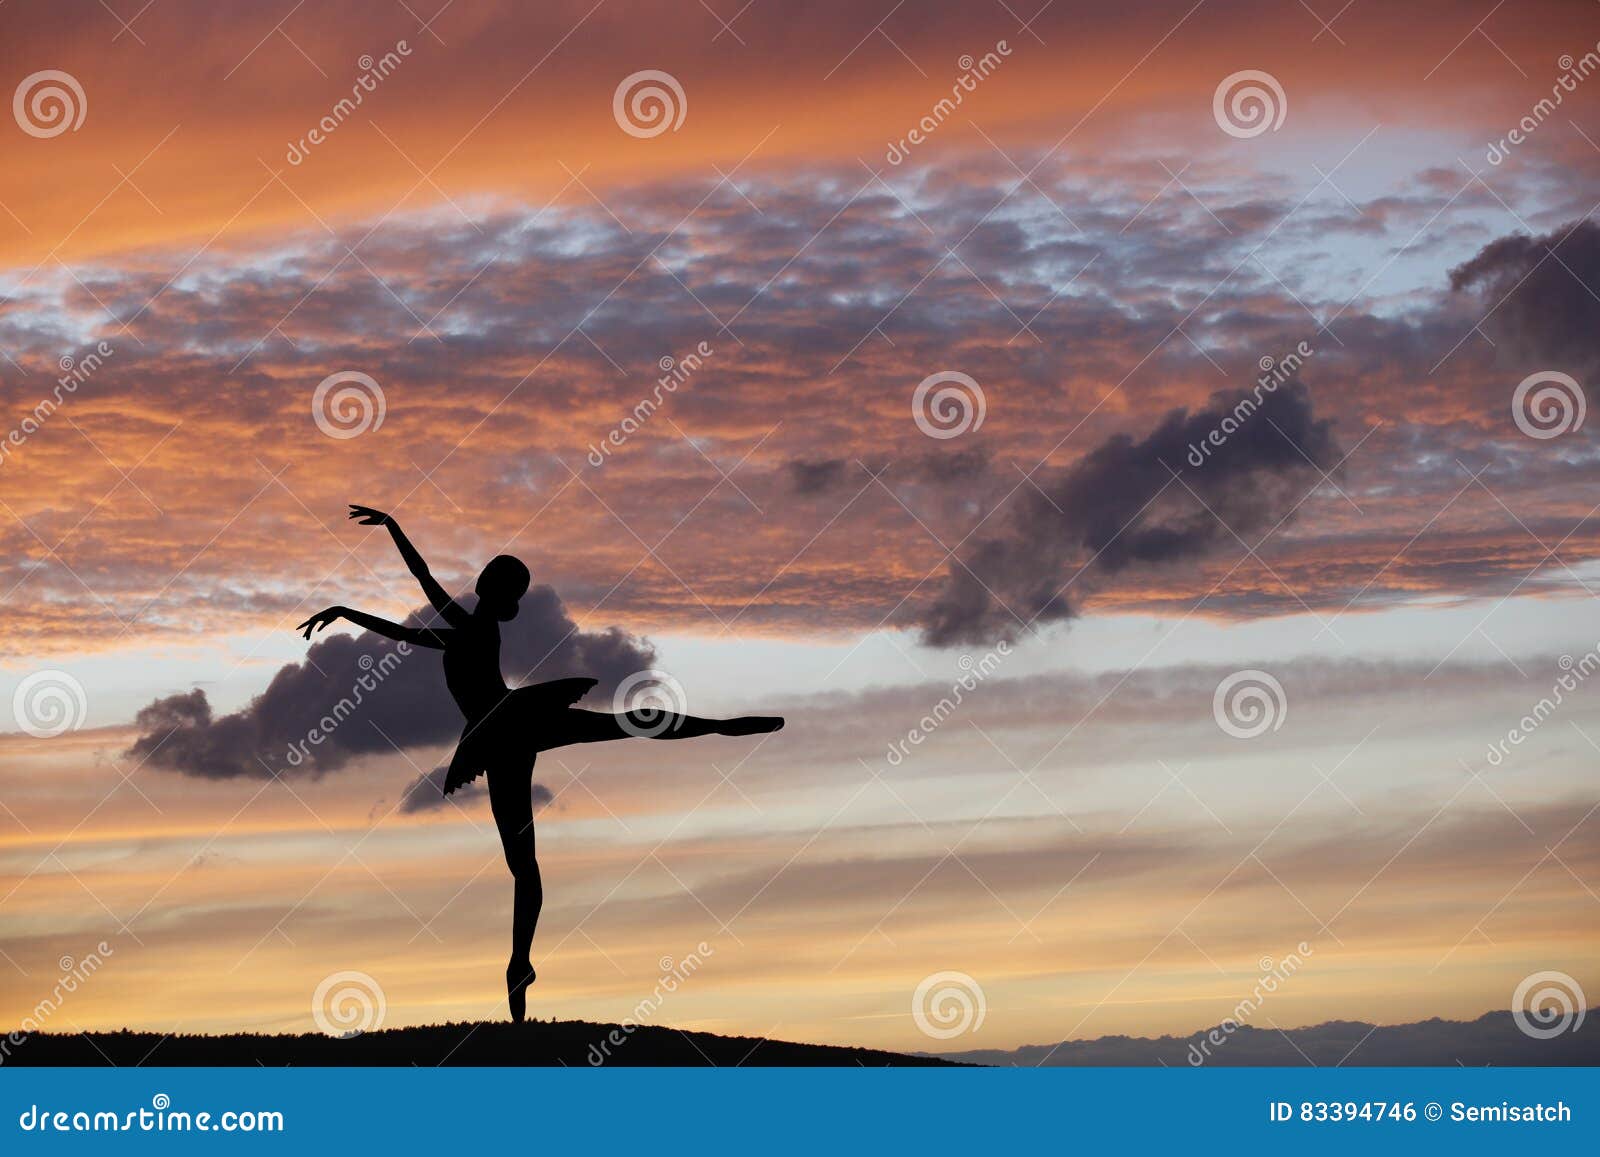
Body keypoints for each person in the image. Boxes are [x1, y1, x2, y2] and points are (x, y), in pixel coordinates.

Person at [296, 504, 783, 1021]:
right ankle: (520, 962)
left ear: (495, 592)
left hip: (507, 725)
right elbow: (420, 590)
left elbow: (418, 597)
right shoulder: (463, 628)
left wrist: (356, 595)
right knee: (596, 759)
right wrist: (376, 558)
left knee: (542, 838)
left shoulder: (468, 631)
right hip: (506, 732)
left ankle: (521, 961)